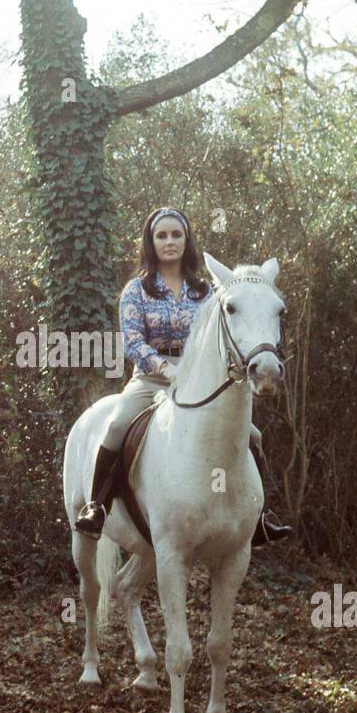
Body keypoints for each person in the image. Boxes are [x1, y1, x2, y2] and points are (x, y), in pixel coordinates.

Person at [73, 206, 290, 547]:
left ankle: (260, 517)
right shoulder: (136, 290)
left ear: (186, 240)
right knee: (116, 425)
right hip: (150, 379)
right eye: (162, 236)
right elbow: (132, 341)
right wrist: (163, 367)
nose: (169, 242)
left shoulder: (205, 291)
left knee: (253, 435)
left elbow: (224, 336)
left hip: (197, 383)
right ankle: (96, 507)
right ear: (151, 242)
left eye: (176, 235)